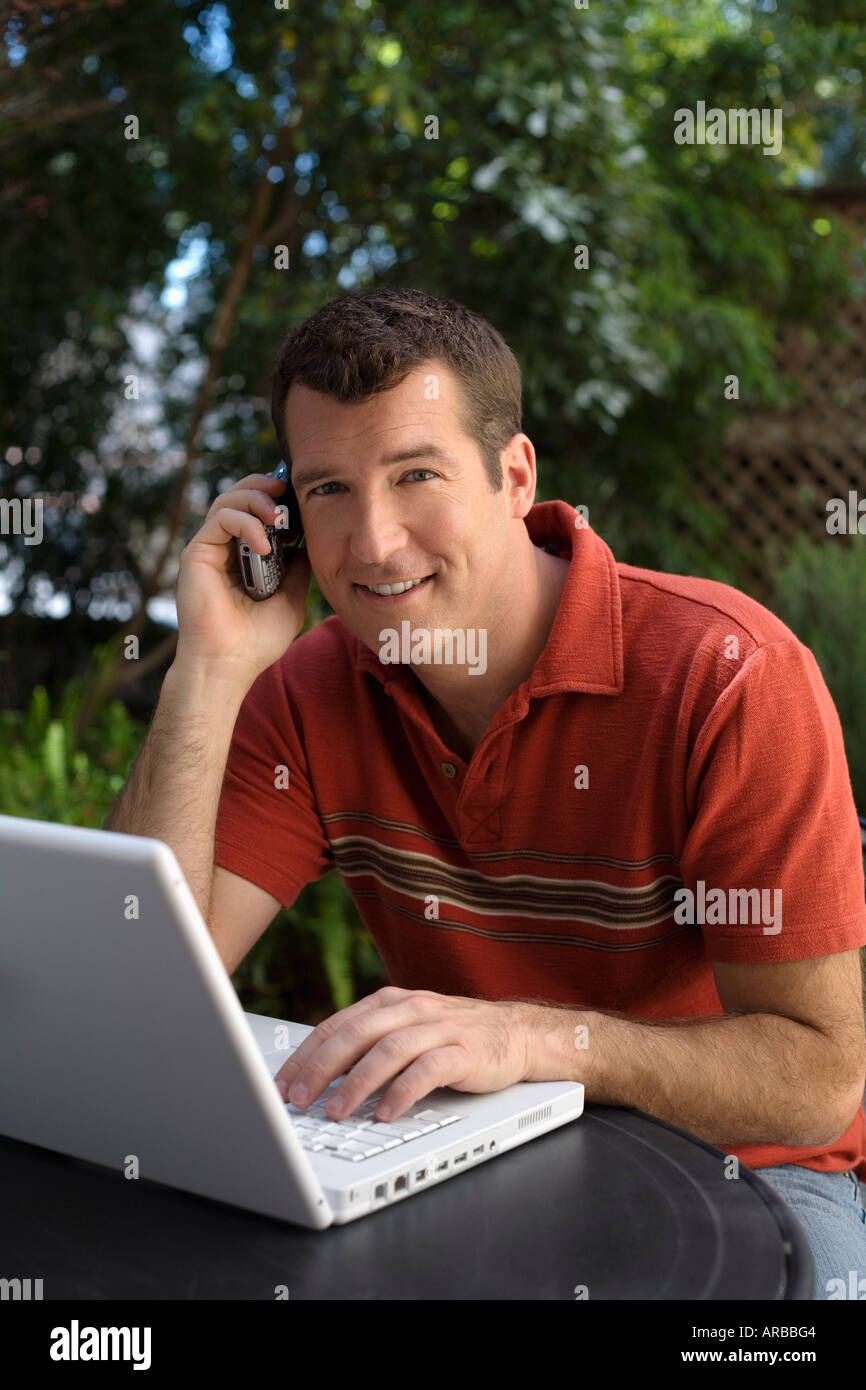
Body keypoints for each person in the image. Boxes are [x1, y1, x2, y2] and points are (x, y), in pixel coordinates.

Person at [106, 287, 866, 1299]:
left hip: (750, 1174)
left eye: (415, 474)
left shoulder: (728, 674)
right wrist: (207, 667)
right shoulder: (309, 686)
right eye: (328, 489)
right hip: (463, 1157)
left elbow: (816, 1082)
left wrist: (532, 1037)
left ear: (513, 476)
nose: (371, 542)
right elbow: (139, 993)